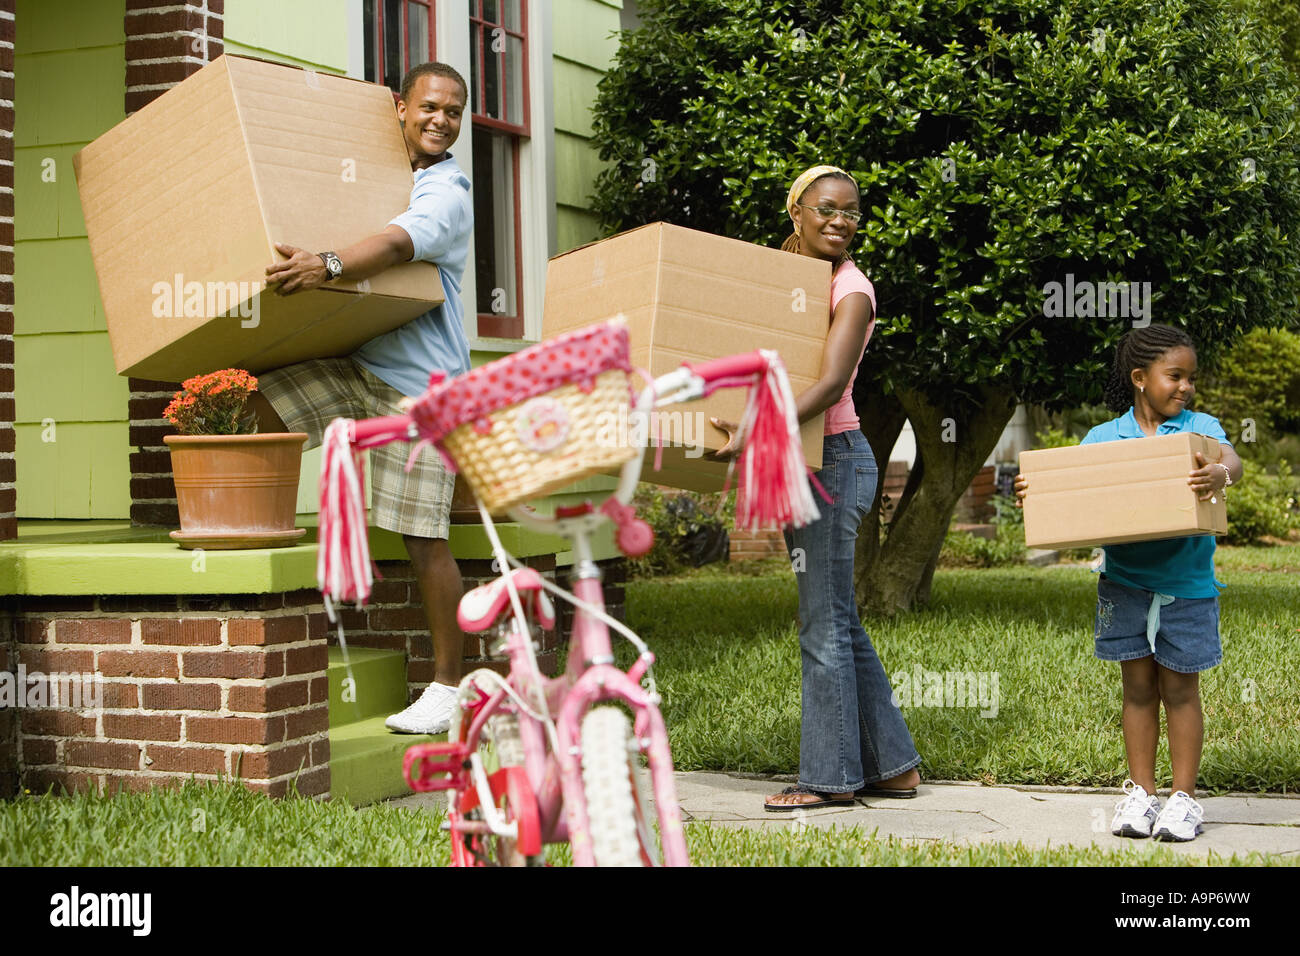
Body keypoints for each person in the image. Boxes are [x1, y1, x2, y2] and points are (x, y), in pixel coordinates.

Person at [255, 62, 473, 736]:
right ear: (400, 107)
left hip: (421, 392)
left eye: (454, 111)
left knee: (422, 538)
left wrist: (329, 263)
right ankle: (258, 540)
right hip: (356, 364)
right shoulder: (369, 172)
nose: (442, 120)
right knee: (261, 405)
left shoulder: (448, 188)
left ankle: (446, 688)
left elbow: (395, 242)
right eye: (431, 106)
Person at [715, 165, 923, 810]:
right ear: (796, 213)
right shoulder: (790, 283)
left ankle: (828, 778)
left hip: (834, 459)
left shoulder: (851, 290)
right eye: (826, 209)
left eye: (852, 211)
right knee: (837, 617)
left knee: (822, 623)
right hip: (802, 457)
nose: (840, 220)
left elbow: (831, 384)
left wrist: (757, 424)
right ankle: (893, 766)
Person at [1016, 324, 1242, 841]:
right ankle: (1141, 795)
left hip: (1186, 586)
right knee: (1138, 690)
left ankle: (1183, 800)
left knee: (1182, 691)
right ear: (1140, 378)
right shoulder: (1104, 438)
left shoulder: (1198, 427)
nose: (1185, 387)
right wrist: (1039, 491)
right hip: (1124, 585)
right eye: (1174, 376)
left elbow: (1231, 459)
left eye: (1190, 378)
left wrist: (1220, 475)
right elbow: (1072, 489)